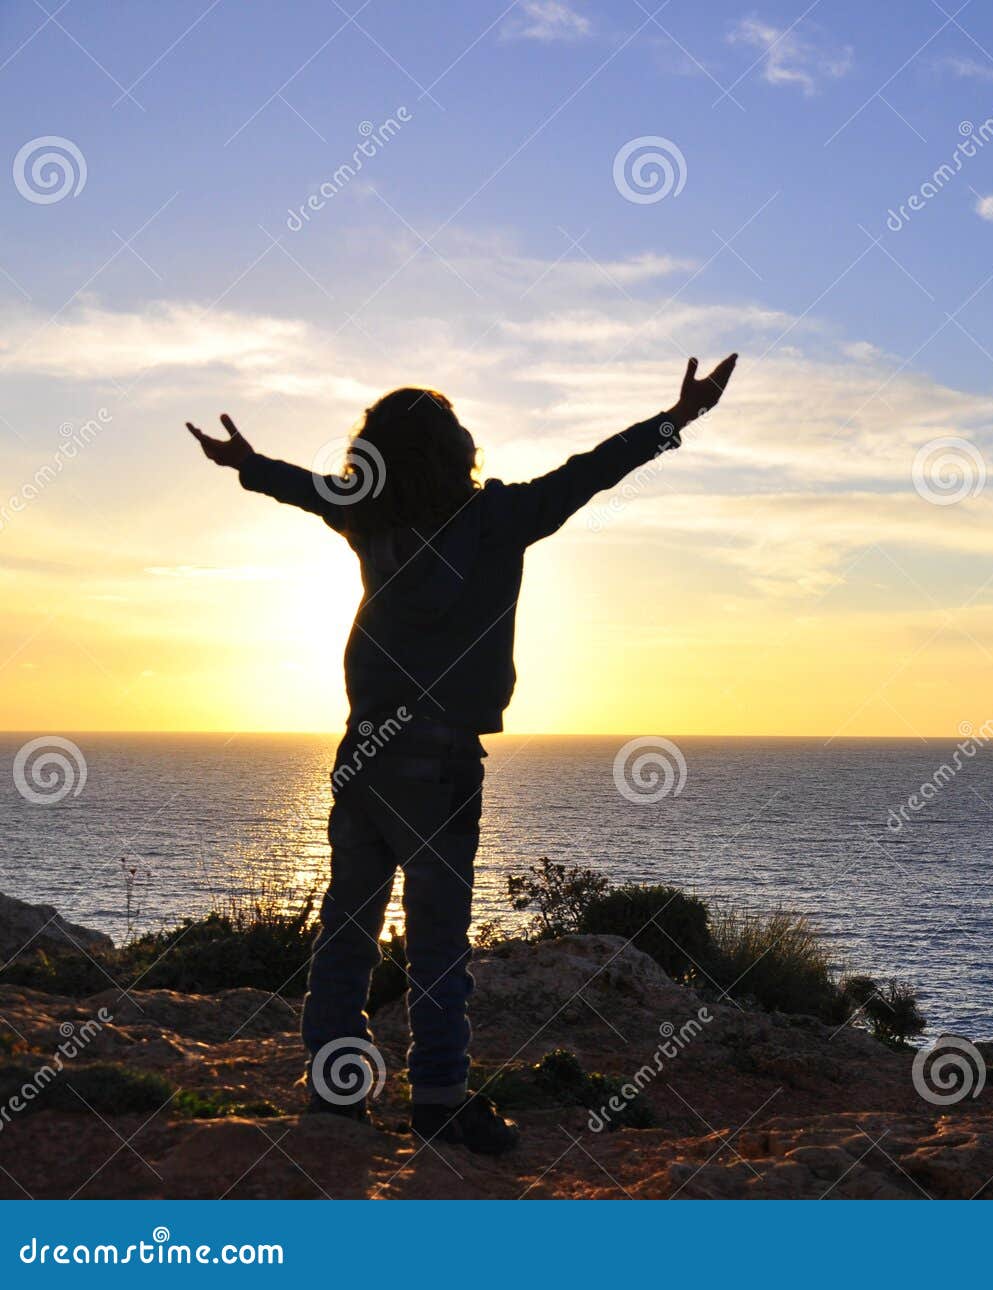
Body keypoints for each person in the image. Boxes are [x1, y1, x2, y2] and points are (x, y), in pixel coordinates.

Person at [185, 354, 738, 1155]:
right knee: (437, 937)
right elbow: (590, 473)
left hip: (363, 752)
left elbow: (304, 489)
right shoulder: (497, 519)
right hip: (439, 755)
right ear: (458, 450)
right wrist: (676, 419)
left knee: (347, 926)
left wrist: (247, 464)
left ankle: (336, 1094)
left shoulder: (364, 517)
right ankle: (440, 1100)